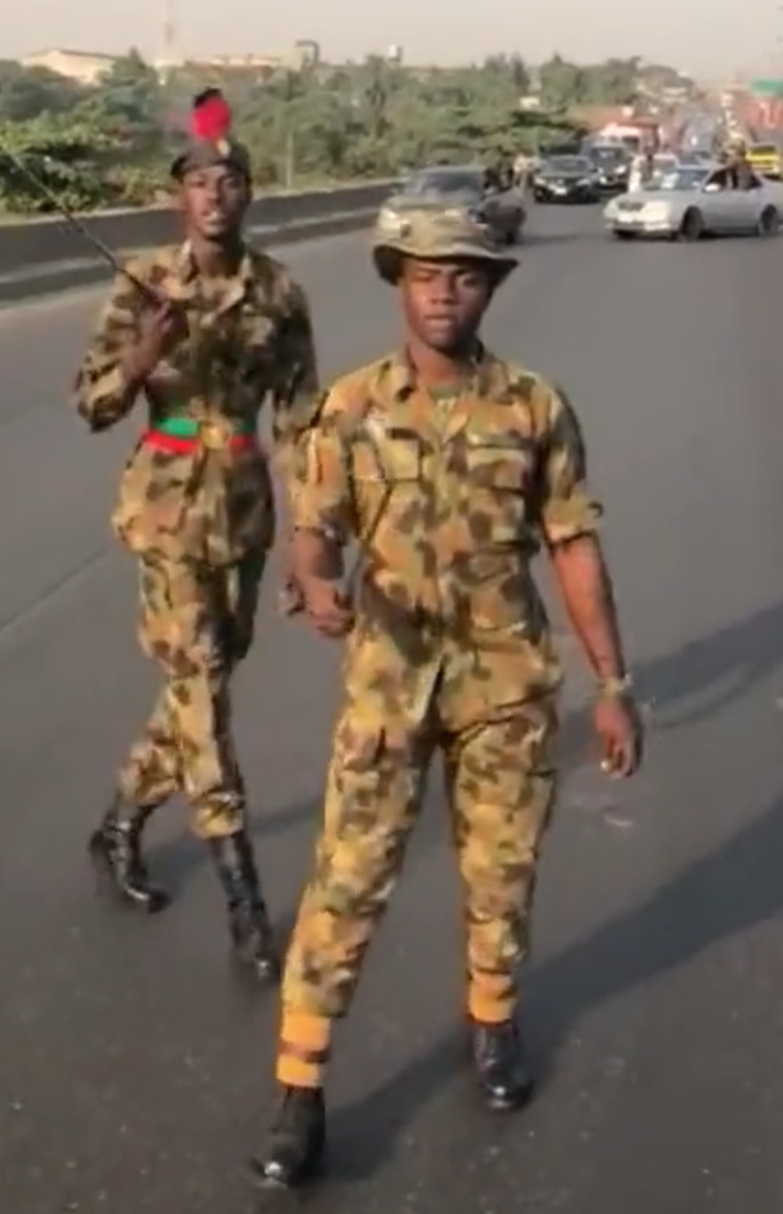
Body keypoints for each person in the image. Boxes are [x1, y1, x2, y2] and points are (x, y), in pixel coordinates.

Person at [249, 203, 643, 1185]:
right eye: (427, 273)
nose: (444, 290)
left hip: (506, 687)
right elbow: (312, 527)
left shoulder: (535, 408)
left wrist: (613, 682)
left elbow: (574, 546)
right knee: (345, 883)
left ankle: (494, 1023)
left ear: (490, 287)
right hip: (388, 687)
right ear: (398, 282)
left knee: (501, 874)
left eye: (465, 274)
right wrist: (318, 576)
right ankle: (299, 1088)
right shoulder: (348, 407)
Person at [71, 89, 321, 983]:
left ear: (251, 193)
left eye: (231, 179)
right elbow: (92, 401)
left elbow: (302, 423)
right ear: (178, 196)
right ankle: (246, 903)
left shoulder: (280, 293)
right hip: (168, 512)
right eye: (200, 180)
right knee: (204, 695)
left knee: (199, 681)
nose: (216, 193)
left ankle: (119, 823)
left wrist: (308, 540)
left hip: (245, 511)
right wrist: (141, 356)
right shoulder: (143, 283)